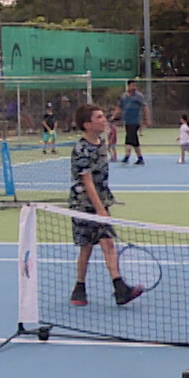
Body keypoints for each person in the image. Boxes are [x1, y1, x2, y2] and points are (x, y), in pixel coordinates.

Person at [67, 103, 145, 308]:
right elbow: (87, 181)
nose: (104, 120)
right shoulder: (80, 149)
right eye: (99, 117)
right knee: (86, 248)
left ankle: (120, 289)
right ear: (87, 125)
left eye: (104, 116)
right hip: (83, 204)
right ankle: (79, 288)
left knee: (108, 243)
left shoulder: (101, 143)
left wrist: (104, 204)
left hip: (100, 202)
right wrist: (100, 209)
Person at [118, 81, 147, 165]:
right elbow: (119, 107)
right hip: (127, 121)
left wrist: (147, 119)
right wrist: (113, 116)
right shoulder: (123, 96)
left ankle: (127, 157)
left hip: (135, 121)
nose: (134, 87)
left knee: (130, 139)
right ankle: (139, 158)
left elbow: (145, 107)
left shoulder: (138, 96)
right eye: (132, 85)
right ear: (128, 86)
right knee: (133, 140)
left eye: (135, 85)